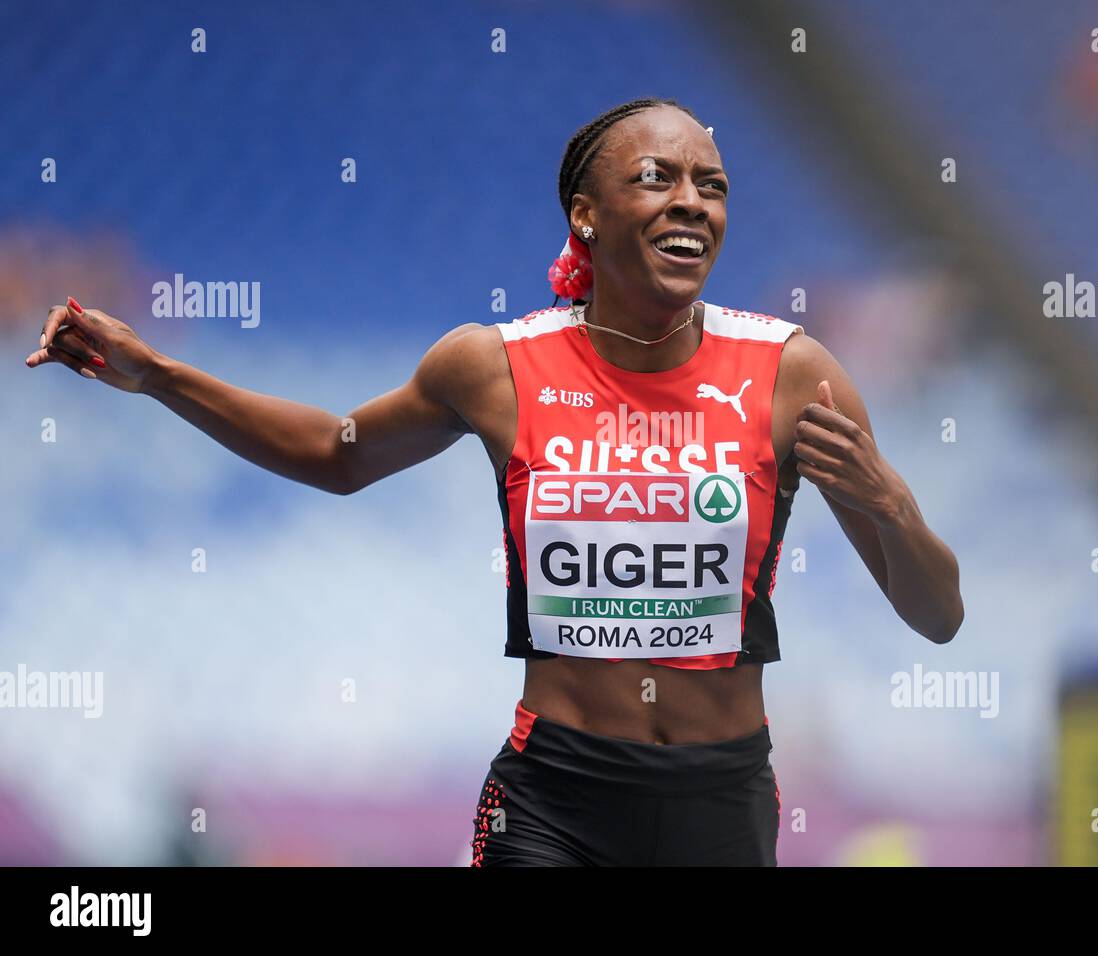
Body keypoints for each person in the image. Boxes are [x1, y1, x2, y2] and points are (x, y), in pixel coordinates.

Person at [25, 97, 963, 866]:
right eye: (658, 178)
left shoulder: (794, 374)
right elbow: (335, 452)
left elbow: (938, 615)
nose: (692, 202)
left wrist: (893, 503)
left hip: (720, 802)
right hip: (551, 798)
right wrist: (159, 377)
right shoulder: (493, 367)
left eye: (710, 186)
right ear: (585, 217)